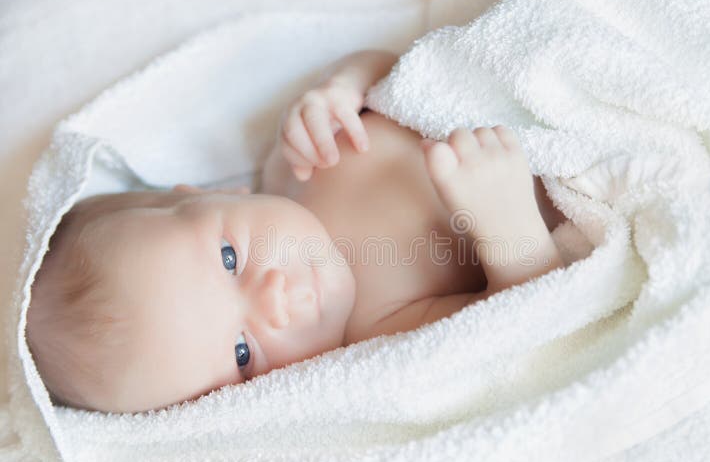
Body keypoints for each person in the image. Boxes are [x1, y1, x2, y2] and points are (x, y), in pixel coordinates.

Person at [26, 50, 566, 413]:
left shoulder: (297, 161)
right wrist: (506, 220)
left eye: (230, 259)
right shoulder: (378, 327)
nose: (274, 299)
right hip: (559, 169)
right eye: (243, 353)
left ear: (207, 195)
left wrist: (343, 88)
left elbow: (398, 63)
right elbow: (525, 312)